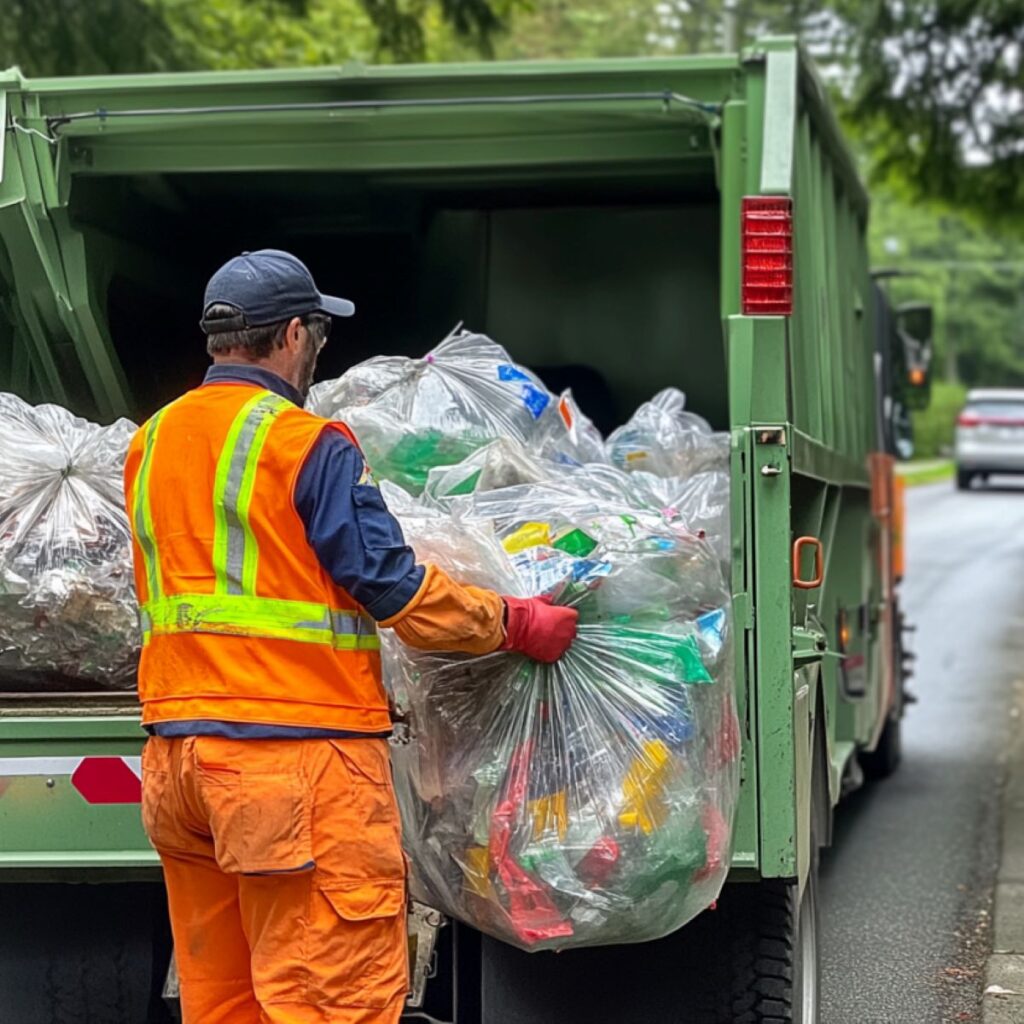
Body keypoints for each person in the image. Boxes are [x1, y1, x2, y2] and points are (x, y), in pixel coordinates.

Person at [124, 249, 578, 1024]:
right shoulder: (308, 443)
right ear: (296, 335)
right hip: (294, 765)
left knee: (226, 1001)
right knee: (331, 1001)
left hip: (178, 767)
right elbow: (393, 589)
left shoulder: (153, 440)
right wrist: (512, 622)